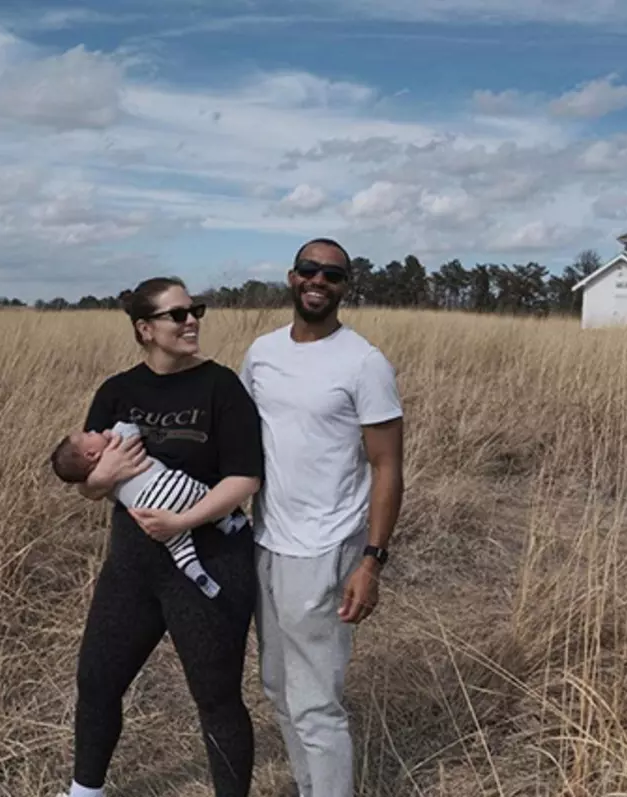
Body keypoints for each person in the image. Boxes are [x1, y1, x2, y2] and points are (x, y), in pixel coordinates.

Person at [57, 277, 264, 797]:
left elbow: (245, 478)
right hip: (132, 565)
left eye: (195, 310)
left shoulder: (222, 387)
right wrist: (100, 482)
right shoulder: (116, 392)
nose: (191, 320)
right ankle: (85, 792)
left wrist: (184, 520)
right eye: (177, 314)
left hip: (212, 559)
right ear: (145, 329)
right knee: (98, 681)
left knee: (216, 698)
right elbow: (89, 483)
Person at [239, 237, 405, 797]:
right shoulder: (261, 353)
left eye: (332, 275)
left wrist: (371, 562)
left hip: (327, 549)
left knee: (315, 702)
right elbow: (241, 442)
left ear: (345, 287)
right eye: (309, 270)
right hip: (266, 541)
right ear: (291, 277)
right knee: (277, 687)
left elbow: (386, 466)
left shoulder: (364, 362)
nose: (318, 281)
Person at [49, 421, 248, 598]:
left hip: (149, 513)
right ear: (91, 454)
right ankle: (226, 523)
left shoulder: (105, 485)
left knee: (179, 548)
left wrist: (97, 478)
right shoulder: (117, 445)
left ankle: (199, 576)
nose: (93, 430)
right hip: (168, 485)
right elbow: (130, 429)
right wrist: (113, 431)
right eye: (89, 435)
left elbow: (94, 492)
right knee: (205, 495)